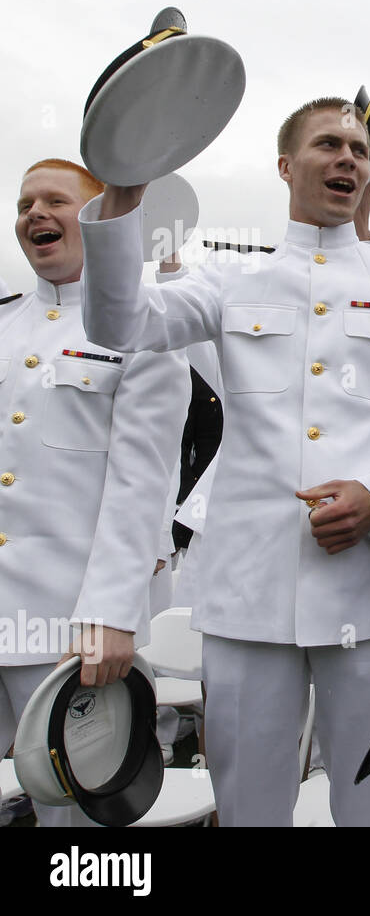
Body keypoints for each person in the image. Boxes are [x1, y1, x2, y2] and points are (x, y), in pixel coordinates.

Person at [77, 97, 370, 826]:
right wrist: (122, 198)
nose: (347, 157)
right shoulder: (228, 278)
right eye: (327, 144)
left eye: (357, 148)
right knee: (249, 801)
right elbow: (121, 322)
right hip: (249, 592)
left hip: (367, 590)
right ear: (285, 166)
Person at [1, 158, 188, 826]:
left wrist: (108, 613)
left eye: (55, 200)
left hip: (67, 628)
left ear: (100, 221)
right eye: (25, 203)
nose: (35, 214)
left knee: (74, 825)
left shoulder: (146, 331)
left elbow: (140, 485)